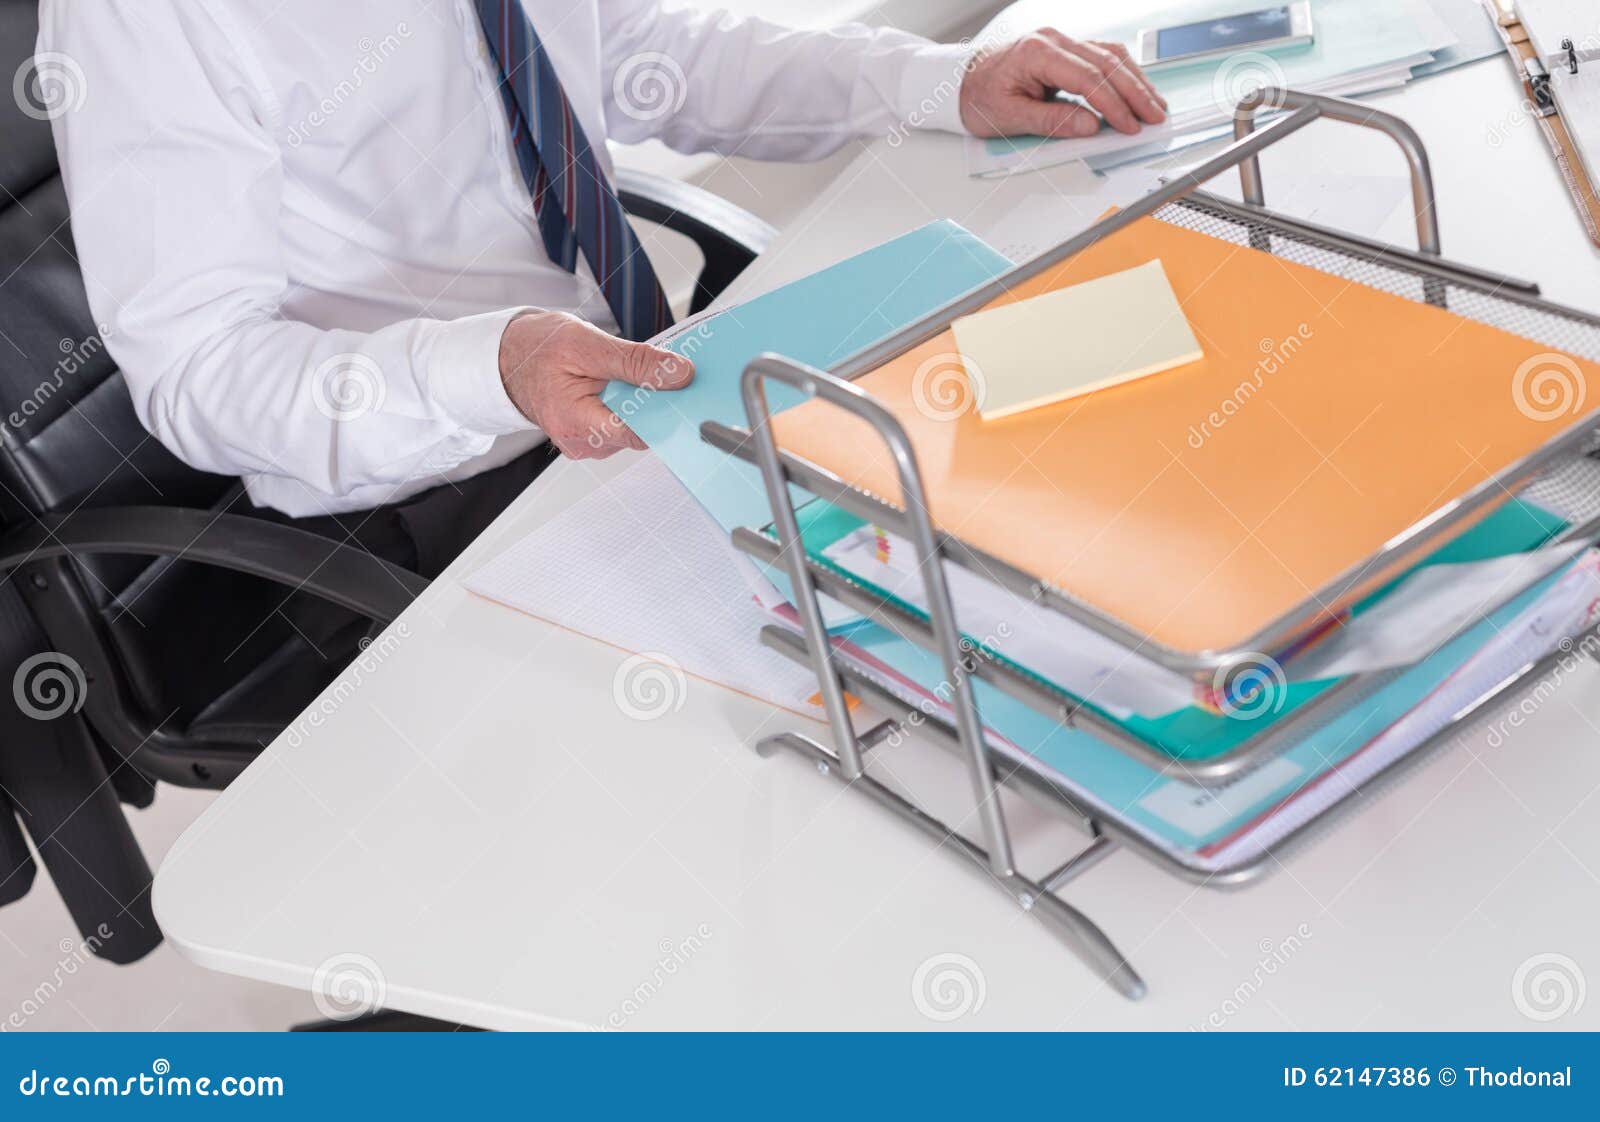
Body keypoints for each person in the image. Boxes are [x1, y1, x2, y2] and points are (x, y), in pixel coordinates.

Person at [38, 1, 1164, 574]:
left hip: (645, 401)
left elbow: (638, 46)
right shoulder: (148, 17)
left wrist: (931, 82)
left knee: (1080, 434)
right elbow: (199, 375)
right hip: (438, 497)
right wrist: (492, 367)